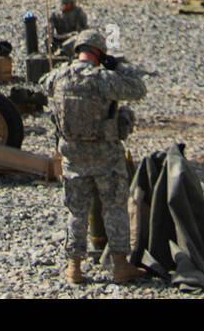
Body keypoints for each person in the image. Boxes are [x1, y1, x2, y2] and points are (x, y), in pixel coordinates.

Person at [43, 29, 147, 286]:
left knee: (76, 211)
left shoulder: (59, 77)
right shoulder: (104, 79)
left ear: (78, 50)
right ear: (99, 53)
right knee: (114, 208)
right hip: (106, 158)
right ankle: (121, 266)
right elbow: (138, 89)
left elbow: (43, 82)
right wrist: (121, 67)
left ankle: (73, 267)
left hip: (73, 158)